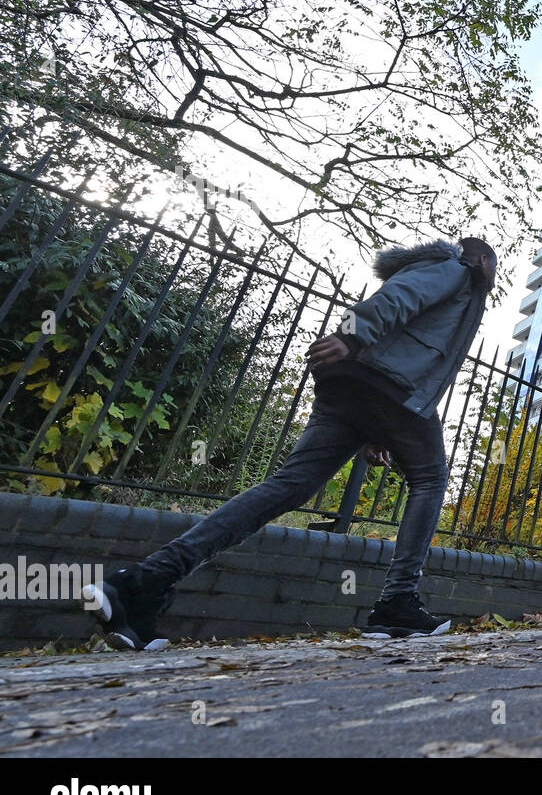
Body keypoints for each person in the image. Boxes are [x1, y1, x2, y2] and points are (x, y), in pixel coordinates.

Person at [83, 237, 497, 649]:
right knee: (430, 479)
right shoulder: (456, 269)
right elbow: (400, 297)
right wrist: (351, 336)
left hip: (357, 389)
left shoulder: (444, 274)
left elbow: (405, 329)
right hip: (389, 386)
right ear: (481, 259)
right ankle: (397, 602)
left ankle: (145, 581)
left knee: (290, 486)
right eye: (493, 269)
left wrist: (374, 429)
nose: (494, 280)